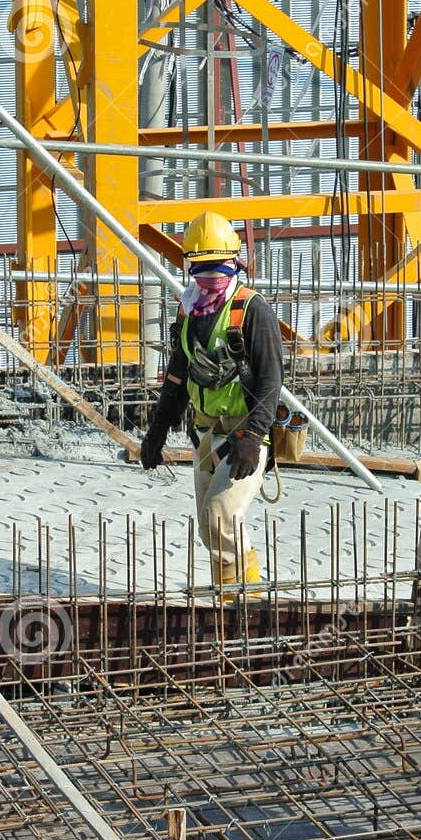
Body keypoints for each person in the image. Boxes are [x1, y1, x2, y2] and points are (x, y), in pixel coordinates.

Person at [138, 212, 283, 593]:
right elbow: (177, 378)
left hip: (244, 436)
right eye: (202, 268)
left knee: (222, 515)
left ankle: (247, 600)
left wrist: (253, 435)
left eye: (218, 266)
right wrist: (157, 431)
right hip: (206, 436)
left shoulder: (253, 310)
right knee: (211, 528)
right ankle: (233, 595)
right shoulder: (191, 312)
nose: (211, 276)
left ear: (235, 262)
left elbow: (271, 380)